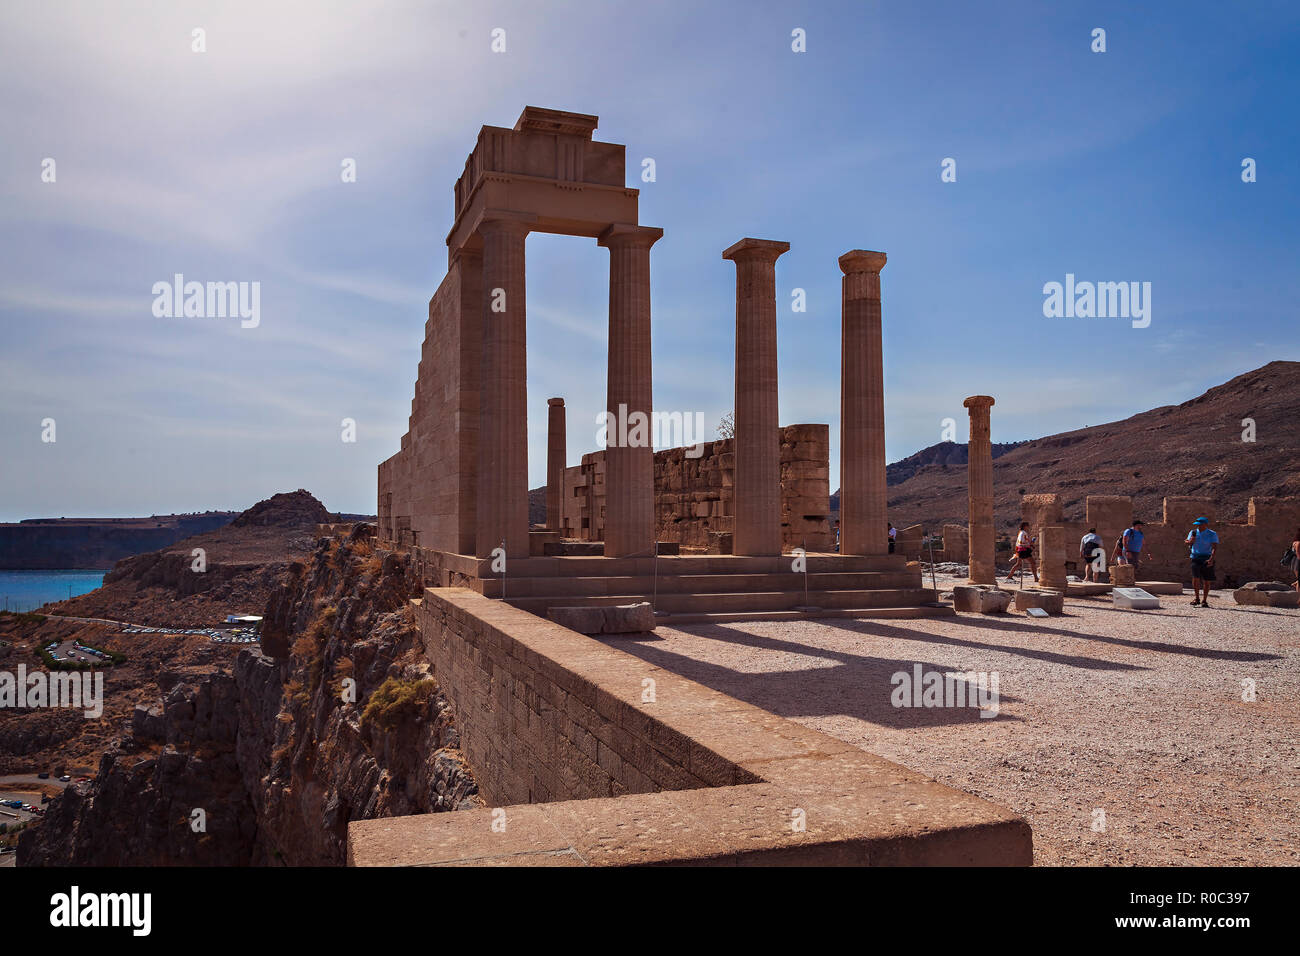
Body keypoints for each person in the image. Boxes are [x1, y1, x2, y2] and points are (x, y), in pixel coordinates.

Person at [1185, 516, 1219, 607]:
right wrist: (1190, 541)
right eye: (1197, 525)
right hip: (1195, 557)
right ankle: (1197, 598)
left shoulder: (1212, 534)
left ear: (1205, 524)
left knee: (1206, 580)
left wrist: (1211, 558)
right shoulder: (1193, 532)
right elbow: (1187, 542)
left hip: (1207, 558)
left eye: (1200, 525)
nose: (1198, 526)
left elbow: (1214, 547)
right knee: (1195, 578)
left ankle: (1204, 600)